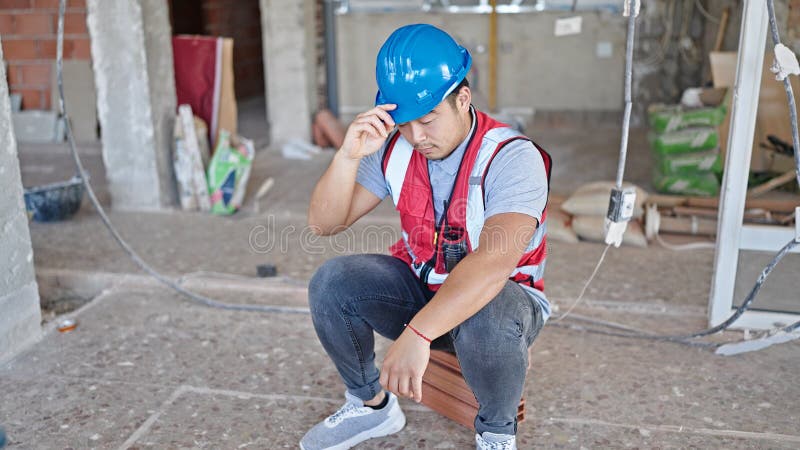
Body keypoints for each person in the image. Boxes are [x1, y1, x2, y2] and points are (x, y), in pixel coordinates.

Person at [301, 23, 551, 450]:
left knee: (487, 318)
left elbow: (493, 265)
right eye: (403, 122)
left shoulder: (512, 157)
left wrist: (417, 335)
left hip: (500, 302)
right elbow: (324, 223)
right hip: (424, 288)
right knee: (332, 283)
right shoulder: (394, 148)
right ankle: (371, 406)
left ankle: (496, 432)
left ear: (463, 99)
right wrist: (347, 154)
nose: (416, 136)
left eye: (428, 119)